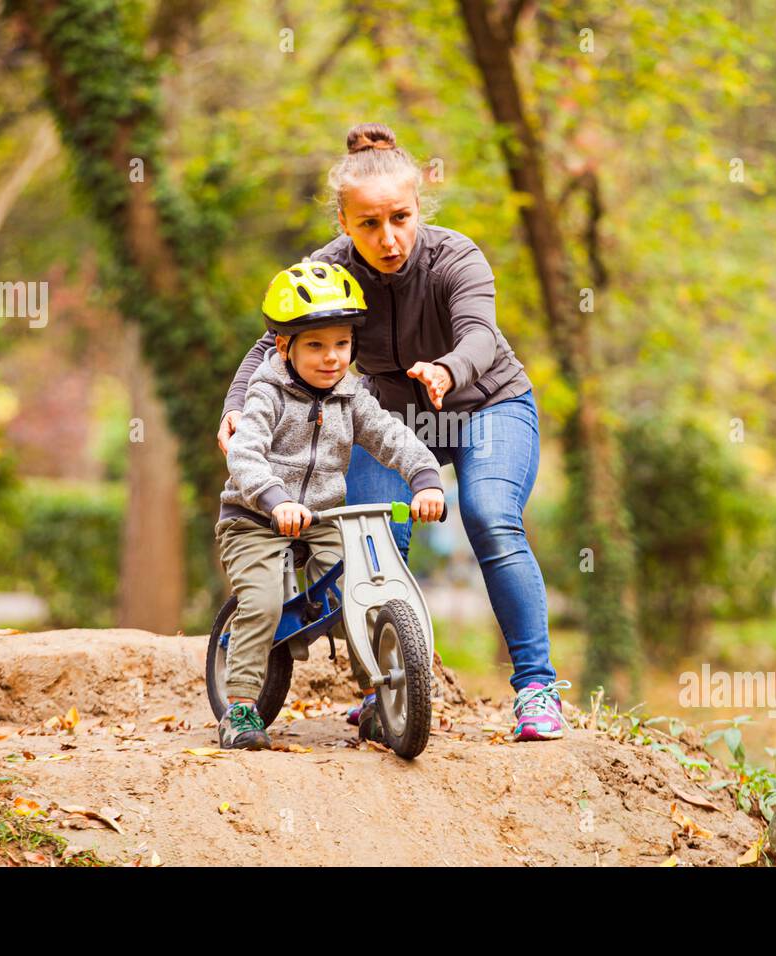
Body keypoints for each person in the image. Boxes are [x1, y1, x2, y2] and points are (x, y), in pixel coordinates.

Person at [219, 122, 570, 742]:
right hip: (389, 419)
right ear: (344, 222)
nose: (389, 238)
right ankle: (390, 679)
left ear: (417, 211)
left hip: (486, 406)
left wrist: (447, 369)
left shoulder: (455, 256)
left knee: (490, 516)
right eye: (370, 224)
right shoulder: (327, 269)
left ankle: (536, 690)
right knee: (374, 533)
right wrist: (236, 409)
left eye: (401, 218)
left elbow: (482, 337)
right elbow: (266, 346)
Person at [216, 260, 445, 750]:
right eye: (315, 346)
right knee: (260, 602)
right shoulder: (266, 393)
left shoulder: (351, 397)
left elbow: (392, 437)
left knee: (357, 591)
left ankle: (376, 700)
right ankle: (238, 707)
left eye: (341, 344)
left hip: (321, 517)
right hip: (255, 517)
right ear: (284, 347)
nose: (331, 358)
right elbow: (245, 453)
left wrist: (426, 481)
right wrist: (274, 500)